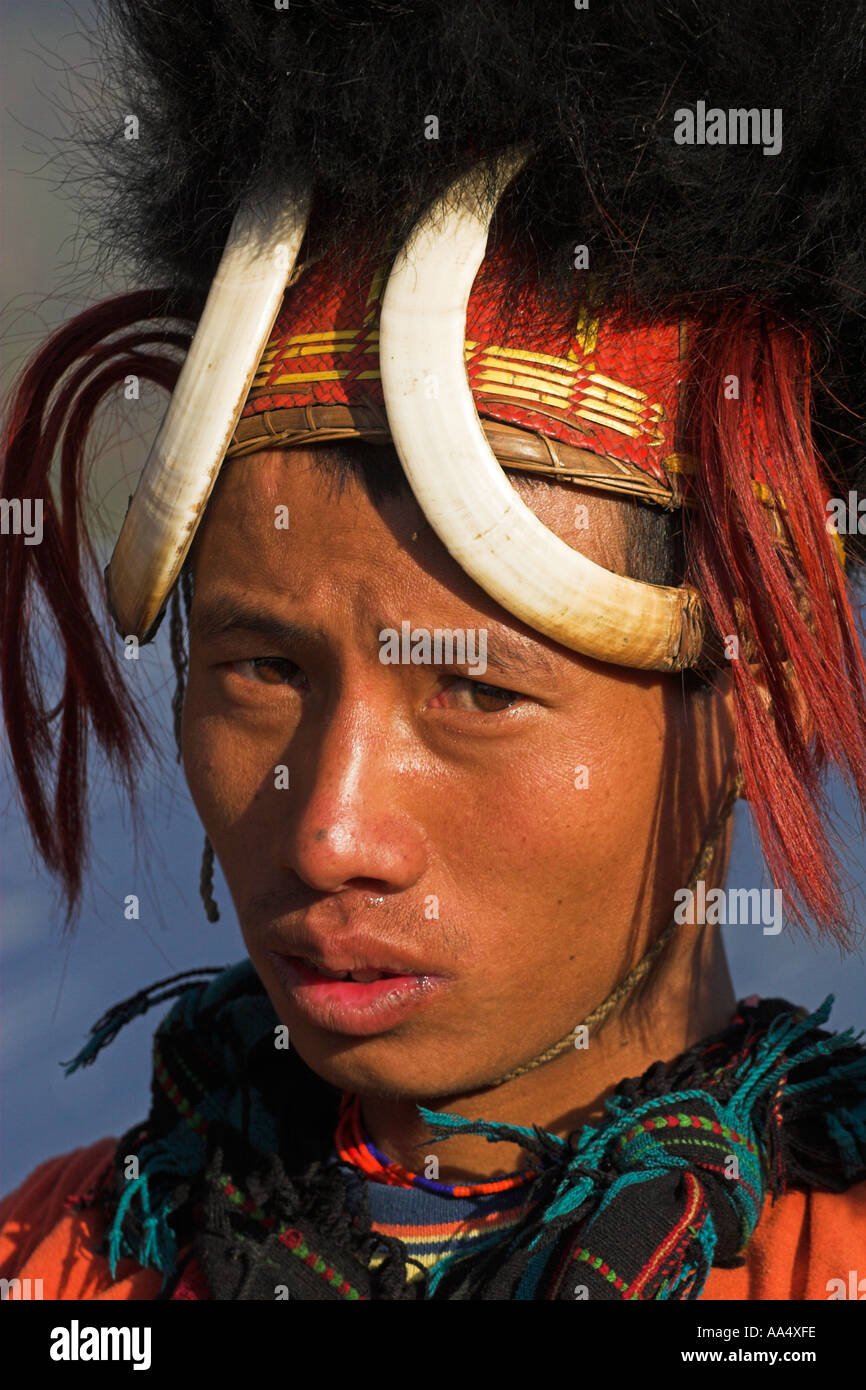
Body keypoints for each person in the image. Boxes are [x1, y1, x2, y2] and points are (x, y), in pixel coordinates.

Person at [1, 0, 865, 1301]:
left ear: (762, 703)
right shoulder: (56, 1273)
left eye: (474, 688)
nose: (331, 829)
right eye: (262, 671)